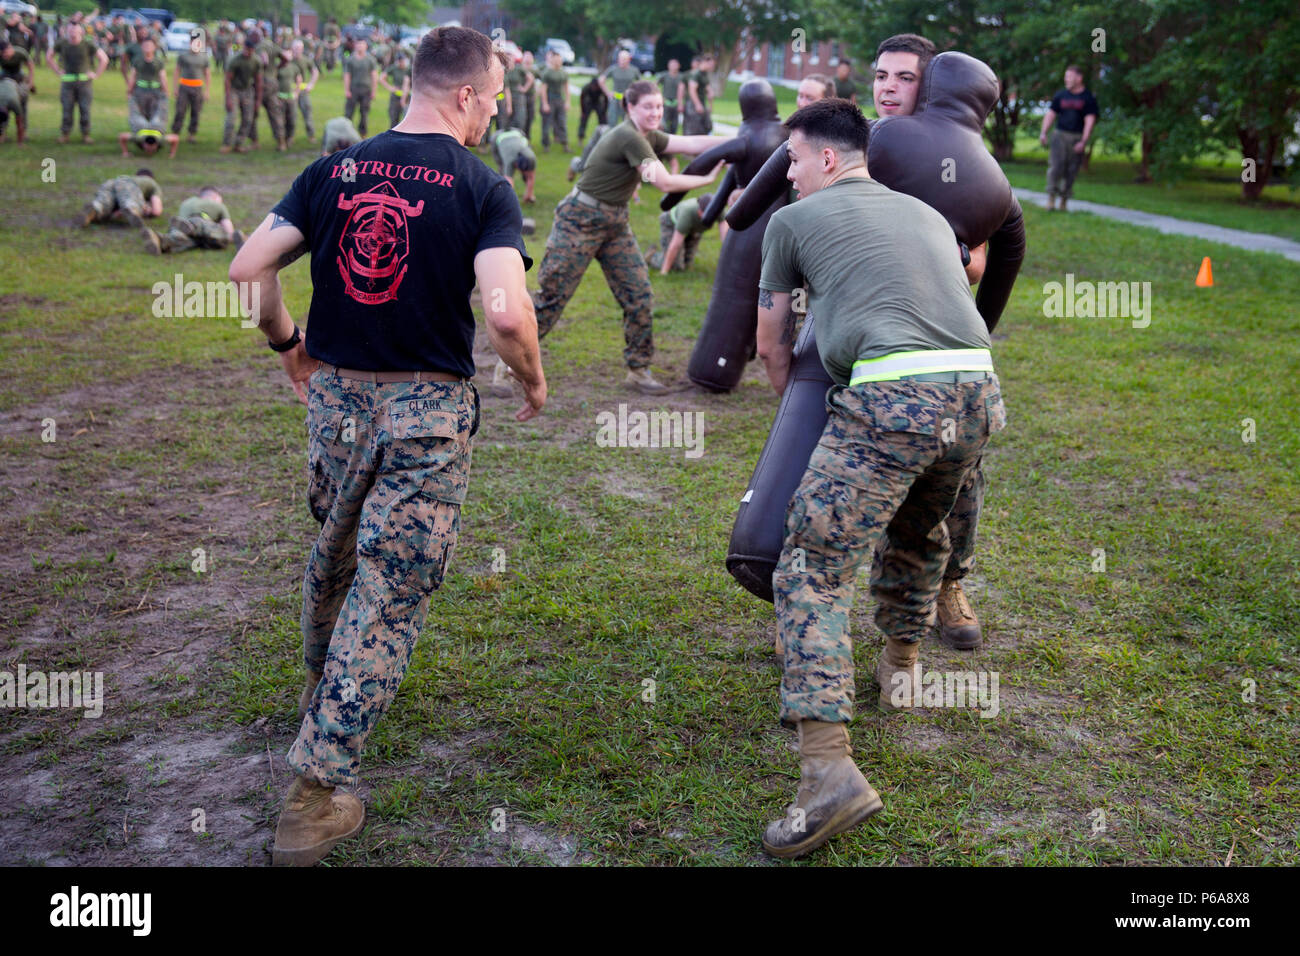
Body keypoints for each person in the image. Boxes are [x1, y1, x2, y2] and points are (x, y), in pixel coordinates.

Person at [230, 24, 545, 867]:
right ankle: (312, 796)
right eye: (494, 100)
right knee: (391, 587)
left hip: (335, 397)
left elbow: (249, 263)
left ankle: (320, 691)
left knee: (333, 550)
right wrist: (533, 379)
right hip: (427, 412)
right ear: (469, 96)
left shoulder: (333, 169)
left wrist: (284, 341)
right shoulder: (482, 185)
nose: (492, 116)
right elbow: (508, 312)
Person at [754, 99, 1006, 859]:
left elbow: (771, 342)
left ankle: (828, 771)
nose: (788, 174)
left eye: (793, 159)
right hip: (979, 392)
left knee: (811, 567)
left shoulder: (792, 223)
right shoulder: (926, 214)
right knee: (918, 524)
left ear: (827, 159)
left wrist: (795, 422)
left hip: (894, 395)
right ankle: (901, 666)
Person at [494, 79, 726, 396]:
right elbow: (664, 183)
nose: (655, 112)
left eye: (659, 106)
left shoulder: (648, 135)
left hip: (615, 222)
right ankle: (506, 368)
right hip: (580, 220)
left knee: (639, 295)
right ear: (630, 107)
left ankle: (638, 370)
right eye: (648, 106)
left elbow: (689, 143)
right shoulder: (629, 137)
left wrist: (737, 140)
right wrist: (708, 178)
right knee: (550, 299)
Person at [1040, 64, 1098, 211]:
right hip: (1059, 135)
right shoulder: (1061, 95)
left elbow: (1089, 120)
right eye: (1066, 77)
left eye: (1069, 77)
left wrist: (1084, 141)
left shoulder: (1088, 97)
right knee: (1055, 167)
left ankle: (1064, 201)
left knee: (1071, 171)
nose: (1066, 80)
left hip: (1076, 137)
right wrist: (1043, 132)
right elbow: (1051, 114)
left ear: (1079, 78)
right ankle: (1051, 199)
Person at [48, 21, 107, 144]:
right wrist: (57, 71)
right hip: (67, 83)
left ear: (81, 31)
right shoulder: (62, 43)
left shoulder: (87, 44)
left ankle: (86, 135)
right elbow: (49, 56)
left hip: (84, 83)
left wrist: (96, 74)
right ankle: (65, 134)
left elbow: (104, 59)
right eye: (70, 30)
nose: (73, 32)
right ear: (66, 31)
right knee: (66, 109)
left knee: (85, 109)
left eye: (75, 30)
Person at [142, 186, 246, 254]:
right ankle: (243, 241)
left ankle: (161, 240)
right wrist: (230, 234)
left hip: (185, 223)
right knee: (223, 237)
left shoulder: (188, 202)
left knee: (186, 241)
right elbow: (228, 229)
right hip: (203, 221)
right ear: (215, 197)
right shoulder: (218, 205)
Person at [647, 192, 714, 273]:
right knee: (676, 267)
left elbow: (726, 236)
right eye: (702, 212)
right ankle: (652, 256)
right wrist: (664, 271)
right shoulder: (687, 213)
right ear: (699, 209)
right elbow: (675, 244)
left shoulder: (718, 209)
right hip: (671, 224)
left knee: (687, 264)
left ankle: (681, 257)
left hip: (693, 229)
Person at [82, 167, 163, 228]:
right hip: (128, 185)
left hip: (111, 182)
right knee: (132, 203)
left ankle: (95, 209)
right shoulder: (152, 183)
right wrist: (148, 211)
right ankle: (132, 208)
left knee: (103, 203)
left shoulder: (131, 178)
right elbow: (156, 211)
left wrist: (115, 214)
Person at [220, 36, 261, 153]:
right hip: (234, 89)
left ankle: (239, 143)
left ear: (253, 50)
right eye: (246, 50)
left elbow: (258, 80)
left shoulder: (256, 61)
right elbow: (227, 79)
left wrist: (258, 100)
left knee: (248, 119)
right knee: (231, 117)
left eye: (250, 51)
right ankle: (227, 143)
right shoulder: (235, 60)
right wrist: (228, 98)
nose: (247, 53)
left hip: (247, 90)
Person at [171, 33, 210, 143]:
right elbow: (177, 71)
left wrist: (207, 91)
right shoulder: (183, 56)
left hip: (197, 87)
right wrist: (175, 88)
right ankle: (175, 132)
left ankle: (192, 134)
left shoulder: (204, 57)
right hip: (184, 87)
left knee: (196, 111)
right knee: (180, 110)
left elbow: (207, 74)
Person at [342, 38, 378, 137]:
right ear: (355, 46)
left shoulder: (371, 59)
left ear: (366, 46)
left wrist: (374, 91)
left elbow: (374, 76)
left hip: (366, 90)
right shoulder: (351, 59)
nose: (360, 46)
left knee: (364, 113)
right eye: (358, 44)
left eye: (362, 44)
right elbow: (347, 75)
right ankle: (346, 132)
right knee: (349, 112)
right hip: (353, 89)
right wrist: (347, 90)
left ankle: (363, 133)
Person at [492, 126, 537, 203]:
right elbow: (509, 181)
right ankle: (503, 199)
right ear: (516, 164)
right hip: (498, 137)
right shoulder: (509, 160)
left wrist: (528, 195)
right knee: (502, 169)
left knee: (529, 176)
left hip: (518, 132)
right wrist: (511, 202)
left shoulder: (532, 158)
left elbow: (531, 177)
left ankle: (529, 197)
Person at [0, 36, 34, 130]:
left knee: (22, 105)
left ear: (10, 48)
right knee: (2, 105)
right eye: (3, 55)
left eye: (6, 54)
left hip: (19, 78)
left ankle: (23, 129)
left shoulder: (20, 52)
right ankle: (2, 131)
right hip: (4, 78)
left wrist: (30, 82)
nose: (5, 57)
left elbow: (30, 66)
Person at [600, 48, 640, 125]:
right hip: (616, 98)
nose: (621, 60)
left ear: (629, 59)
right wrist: (608, 93)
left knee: (627, 122)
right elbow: (601, 80)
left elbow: (640, 84)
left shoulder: (634, 70)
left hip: (628, 99)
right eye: (620, 58)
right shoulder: (613, 69)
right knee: (612, 122)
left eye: (624, 59)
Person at [538, 48, 568, 152]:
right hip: (550, 100)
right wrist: (545, 103)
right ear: (552, 60)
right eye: (556, 60)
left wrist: (567, 101)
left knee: (562, 122)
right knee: (547, 124)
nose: (558, 62)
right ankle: (546, 145)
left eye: (559, 60)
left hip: (560, 100)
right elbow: (543, 89)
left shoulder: (563, 73)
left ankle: (565, 144)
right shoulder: (547, 73)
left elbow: (566, 88)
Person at [291, 38, 319, 141]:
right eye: (295, 48)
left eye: (299, 48)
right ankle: (290, 136)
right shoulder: (288, 59)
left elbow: (315, 72)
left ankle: (311, 135)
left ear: (302, 49)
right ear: (292, 48)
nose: (297, 50)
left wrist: (311, 84)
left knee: (307, 113)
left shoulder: (305, 59)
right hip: (291, 91)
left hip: (302, 91)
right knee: (291, 115)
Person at [682, 52, 715, 135]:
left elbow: (709, 91)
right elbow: (692, 90)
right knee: (693, 129)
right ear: (705, 62)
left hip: (702, 103)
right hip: (693, 105)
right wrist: (697, 104)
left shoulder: (704, 74)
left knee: (704, 129)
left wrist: (710, 106)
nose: (712, 67)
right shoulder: (696, 74)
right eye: (711, 64)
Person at [380, 49, 410, 129]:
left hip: (408, 96)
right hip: (396, 95)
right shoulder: (394, 68)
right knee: (394, 118)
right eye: (399, 61)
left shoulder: (409, 69)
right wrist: (390, 88)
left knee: (407, 119)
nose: (401, 62)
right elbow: (382, 78)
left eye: (402, 60)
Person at [655, 58, 683, 133]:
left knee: (674, 124)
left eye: (675, 65)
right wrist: (660, 97)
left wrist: (681, 102)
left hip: (676, 103)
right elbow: (655, 85)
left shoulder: (681, 77)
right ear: (668, 66)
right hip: (666, 102)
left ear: (679, 66)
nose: (673, 66)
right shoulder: (664, 75)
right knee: (664, 123)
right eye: (672, 65)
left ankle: (673, 137)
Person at [577, 75, 607, 142]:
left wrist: (604, 111)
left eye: (596, 86)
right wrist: (583, 111)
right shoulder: (586, 87)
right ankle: (580, 137)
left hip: (598, 103)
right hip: (589, 103)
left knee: (603, 120)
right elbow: (582, 98)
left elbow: (606, 99)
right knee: (583, 120)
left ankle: (603, 135)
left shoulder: (601, 88)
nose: (595, 88)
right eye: (593, 86)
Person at [0, 74, 25, 144]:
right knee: (19, 120)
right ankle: (19, 142)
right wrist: (20, 144)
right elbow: (20, 124)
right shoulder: (15, 102)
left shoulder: (14, 102)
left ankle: (2, 137)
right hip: (12, 99)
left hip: (12, 100)